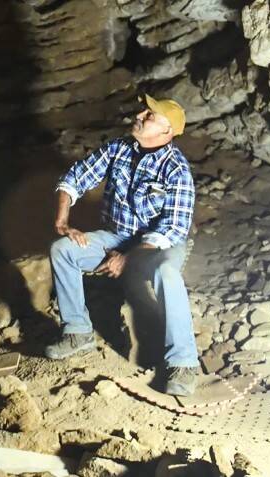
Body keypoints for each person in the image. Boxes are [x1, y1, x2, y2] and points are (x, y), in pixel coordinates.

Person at [46, 95, 200, 396]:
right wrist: (62, 221)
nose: (141, 114)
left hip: (158, 245)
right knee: (62, 250)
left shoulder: (176, 169)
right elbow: (75, 177)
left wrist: (127, 257)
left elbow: (174, 227)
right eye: (144, 110)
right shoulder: (118, 148)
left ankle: (183, 362)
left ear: (166, 132)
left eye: (151, 115)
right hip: (117, 235)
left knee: (168, 274)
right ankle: (77, 332)